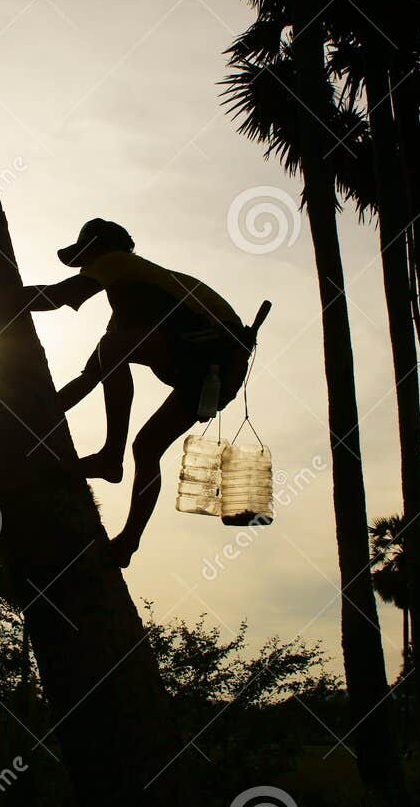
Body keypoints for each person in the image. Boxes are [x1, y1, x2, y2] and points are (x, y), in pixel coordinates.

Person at [22, 220, 250, 566]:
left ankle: (111, 456)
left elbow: (59, 295)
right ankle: (128, 542)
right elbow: (89, 377)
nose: (85, 267)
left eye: (86, 257)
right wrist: (46, 412)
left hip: (216, 350)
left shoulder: (119, 262)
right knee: (146, 447)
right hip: (215, 374)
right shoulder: (128, 318)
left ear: (100, 250)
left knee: (113, 347)